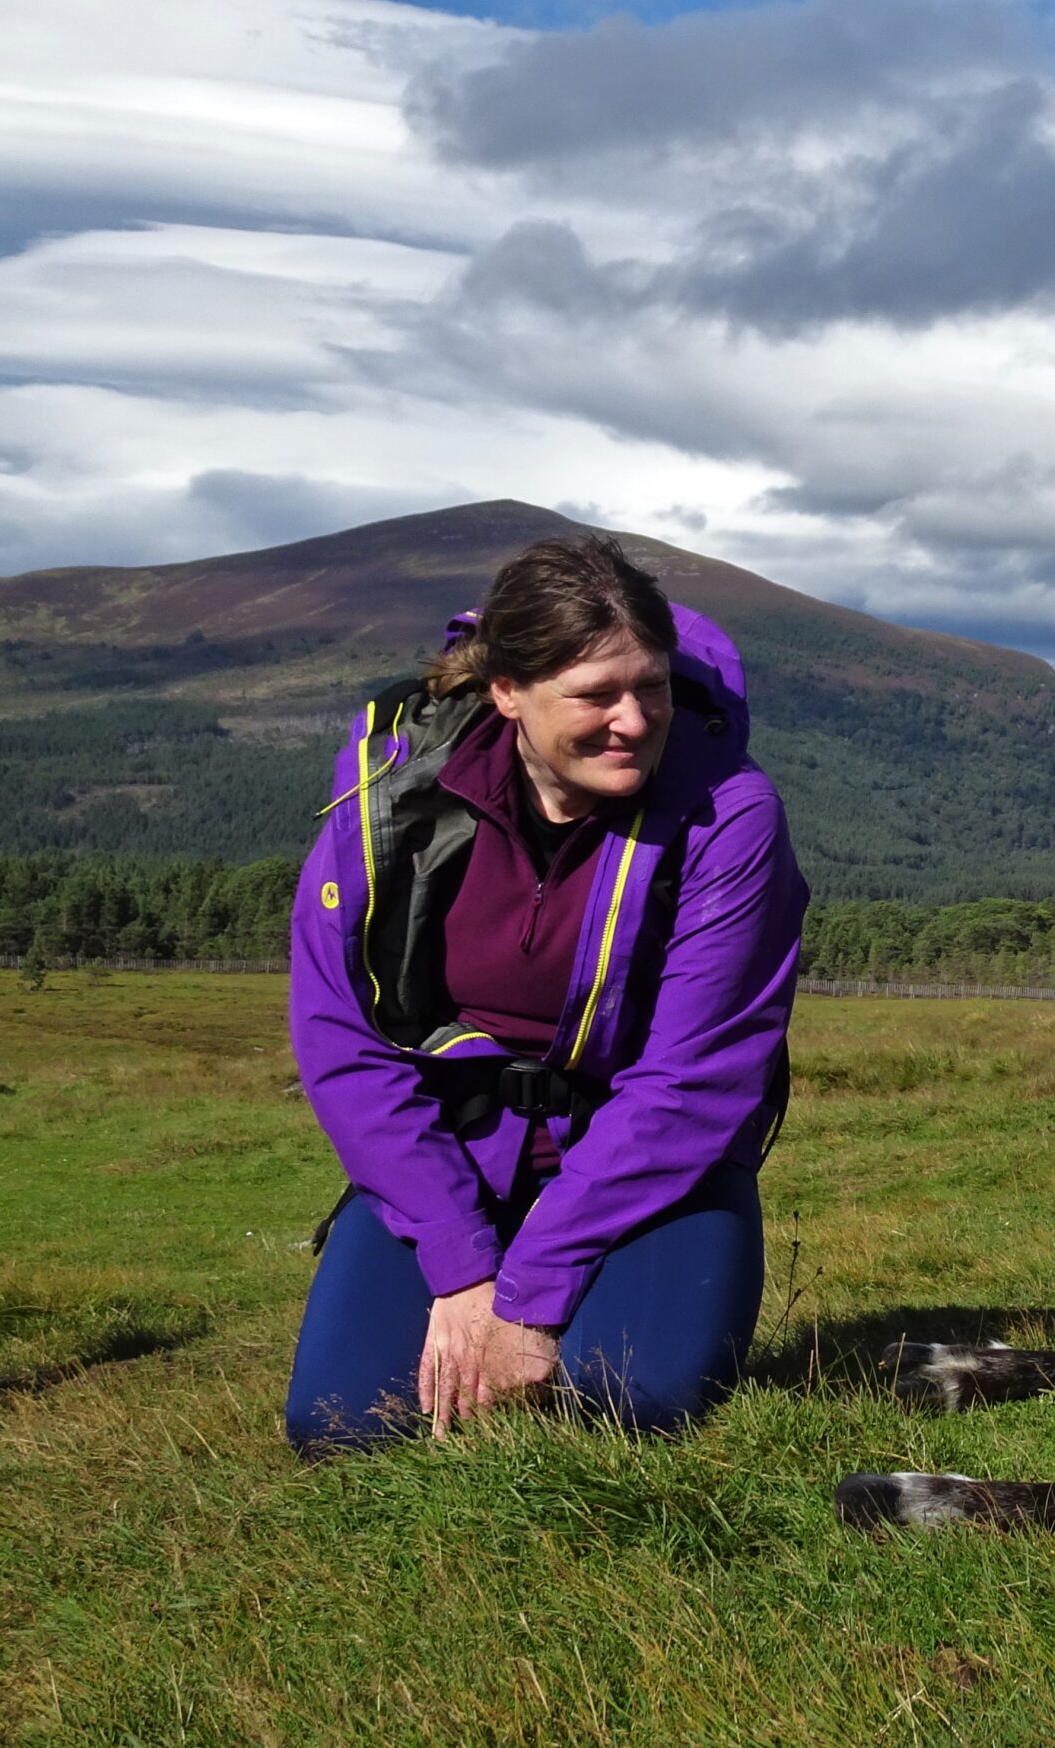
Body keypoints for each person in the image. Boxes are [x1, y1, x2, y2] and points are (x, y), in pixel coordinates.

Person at [283, 535, 807, 1452]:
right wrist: (458, 1264)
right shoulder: (389, 799)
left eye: (651, 687)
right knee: (344, 1427)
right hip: (451, 1149)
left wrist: (526, 1298)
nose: (636, 720)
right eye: (595, 695)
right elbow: (345, 1038)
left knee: (624, 1407)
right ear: (507, 693)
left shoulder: (730, 814)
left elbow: (690, 1081)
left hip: (653, 1169)